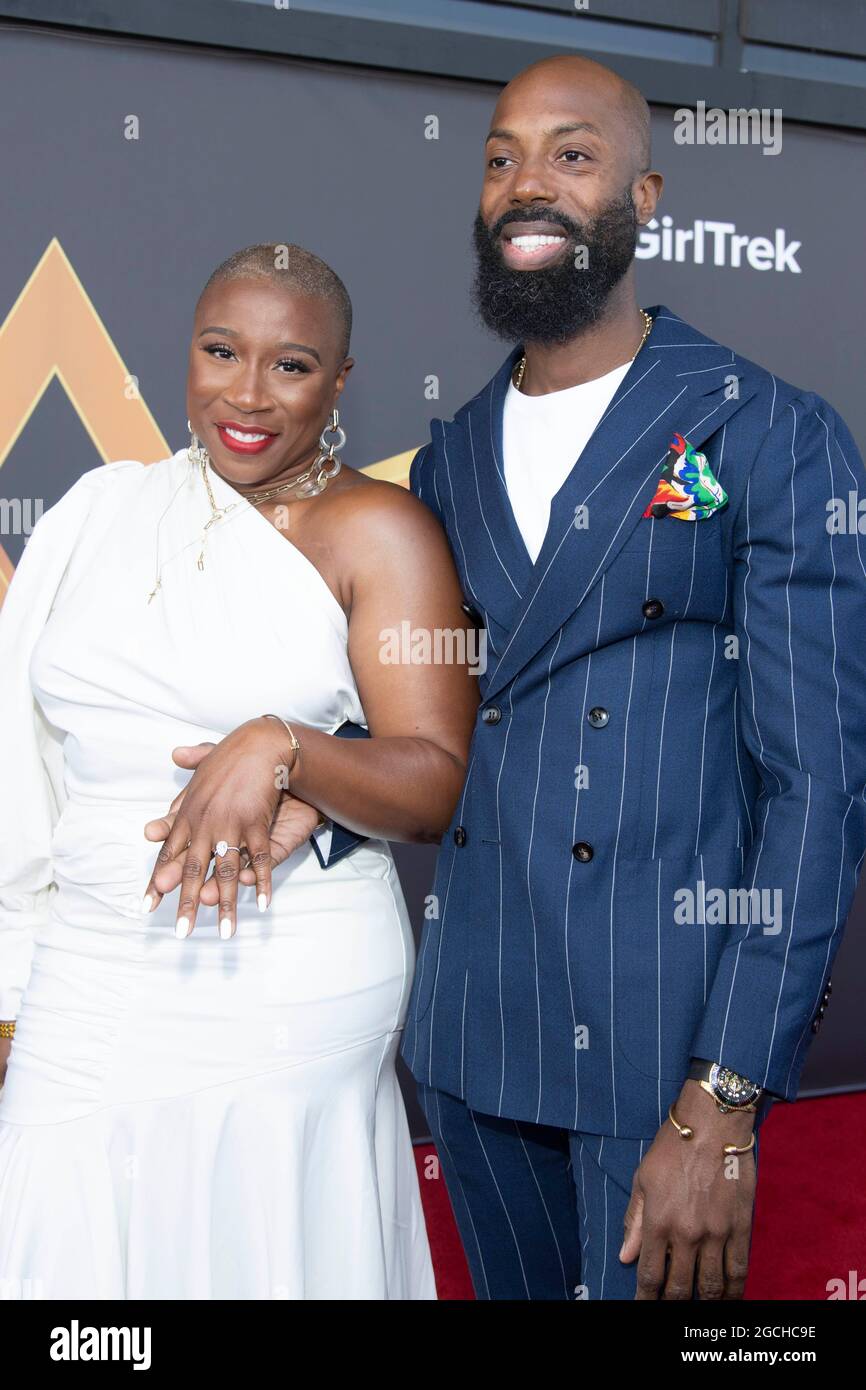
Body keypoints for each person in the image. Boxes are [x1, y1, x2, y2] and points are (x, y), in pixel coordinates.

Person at [191, 55, 866, 1301]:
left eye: (571, 154)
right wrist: (315, 794)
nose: (524, 185)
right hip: (471, 1033)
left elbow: (815, 789)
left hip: (659, 1053)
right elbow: (431, 738)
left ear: (644, 195)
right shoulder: (443, 468)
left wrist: (725, 1094)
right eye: (500, 156)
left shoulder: (764, 430)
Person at [0, 243, 477, 1300]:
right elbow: (21, 766)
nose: (246, 395)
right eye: (222, 351)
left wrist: (285, 746)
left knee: (253, 1251)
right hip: (84, 963)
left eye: (291, 364)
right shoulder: (95, 512)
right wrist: (9, 972)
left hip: (284, 968)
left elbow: (435, 777)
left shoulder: (378, 530)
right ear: (188, 352)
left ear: (340, 380)